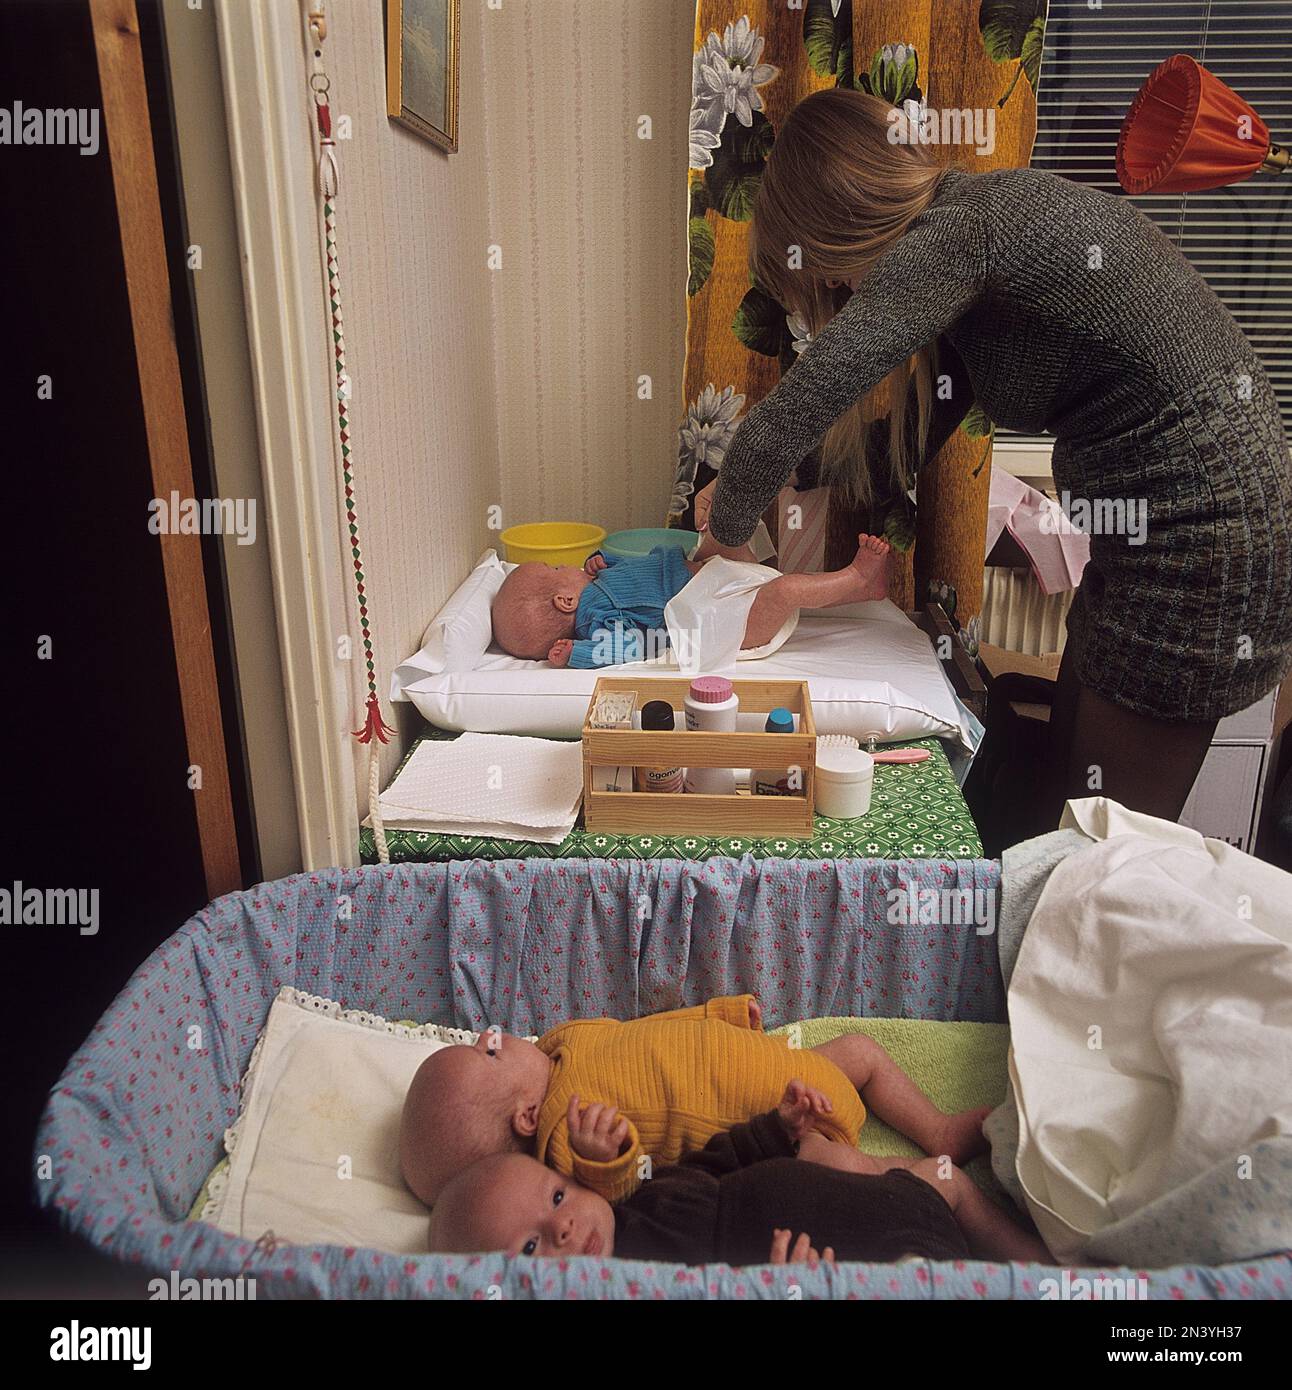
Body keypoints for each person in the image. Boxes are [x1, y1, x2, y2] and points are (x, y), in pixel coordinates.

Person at [691, 86, 1292, 839]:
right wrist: (773, 486)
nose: (841, 293)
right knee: (1060, 802)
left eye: (828, 276)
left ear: (837, 227)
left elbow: (800, 404)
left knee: (1106, 846)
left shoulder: (958, 234)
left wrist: (727, 535)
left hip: (1204, 537)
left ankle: (1079, 953)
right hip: (1153, 537)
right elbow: (894, 451)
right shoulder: (971, 257)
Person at [399, 994, 990, 1206]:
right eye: (487, 1055)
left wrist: (716, 1015)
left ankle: (937, 1130)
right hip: (781, 1127)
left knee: (860, 1050)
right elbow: (620, 1196)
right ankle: (920, 1174)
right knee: (826, 1164)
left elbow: (648, 1029)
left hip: (783, 1067)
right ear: (526, 1115)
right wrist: (601, 1159)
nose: (486, 1035)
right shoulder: (566, 1133)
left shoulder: (562, 1043)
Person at [427, 1080, 1051, 1266]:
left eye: (558, 1195)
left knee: (948, 1179)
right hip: (864, 1264)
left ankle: (1051, 1273)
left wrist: (777, 1128)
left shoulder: (646, 1196)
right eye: (531, 1246)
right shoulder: (637, 1280)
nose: (563, 1226)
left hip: (891, 1201)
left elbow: (718, 1162)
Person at [490, 535, 892, 667]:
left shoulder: (599, 581)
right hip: (721, 624)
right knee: (784, 592)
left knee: (726, 532)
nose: (567, 566)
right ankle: (853, 578)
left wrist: (603, 562)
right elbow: (628, 649)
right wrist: (578, 653)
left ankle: (863, 591)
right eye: (557, 568)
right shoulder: (598, 620)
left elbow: (635, 574)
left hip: (711, 577)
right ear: (564, 600)